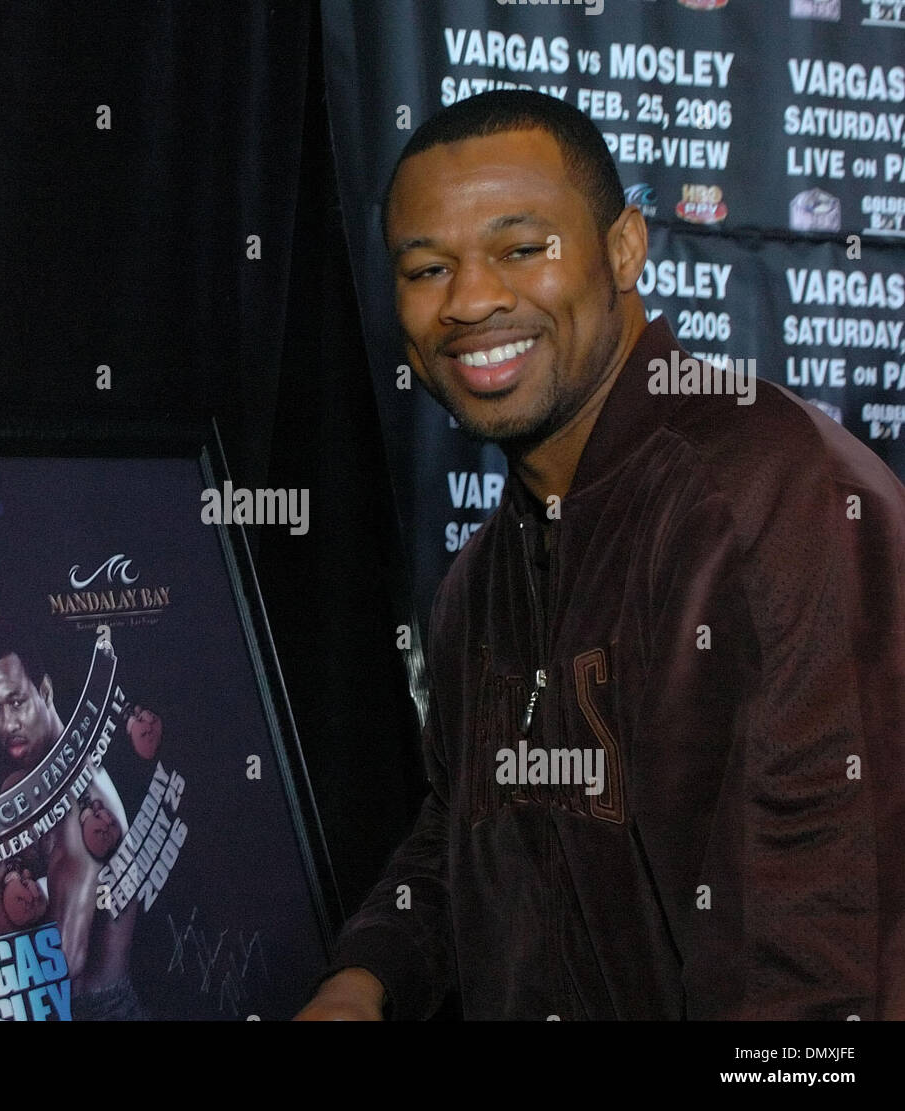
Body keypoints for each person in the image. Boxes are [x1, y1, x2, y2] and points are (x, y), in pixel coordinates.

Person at [298, 90, 905, 1021]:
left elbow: (826, 965)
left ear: (624, 250)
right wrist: (366, 975)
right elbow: (469, 835)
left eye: (521, 248)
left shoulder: (772, 500)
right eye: (427, 268)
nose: (471, 300)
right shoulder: (483, 579)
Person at [0, 624, 146, 1020]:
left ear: (45, 691)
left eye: (16, 702)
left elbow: (62, 961)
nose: (7, 722)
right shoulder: (28, 786)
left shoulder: (79, 801)